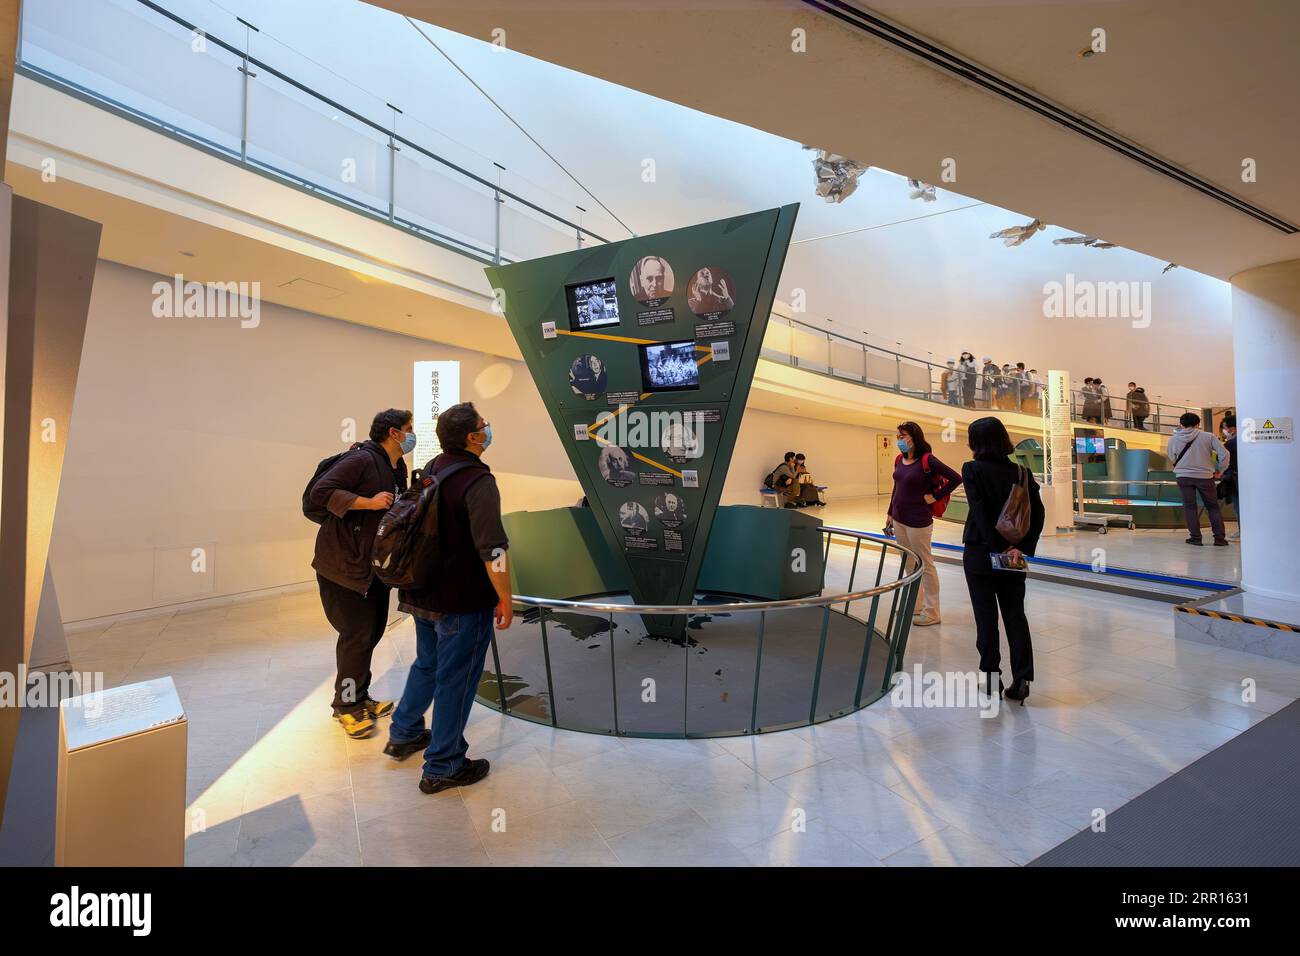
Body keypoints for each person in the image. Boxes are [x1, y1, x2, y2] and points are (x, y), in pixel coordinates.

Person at [384, 402, 513, 794]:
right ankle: (443, 765)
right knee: (457, 680)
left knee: (428, 664)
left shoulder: (435, 468)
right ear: (473, 437)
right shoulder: (478, 480)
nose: (487, 430)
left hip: (421, 591)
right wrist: (504, 598)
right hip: (460, 600)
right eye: (483, 426)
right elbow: (493, 549)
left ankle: (404, 731)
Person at [308, 408, 412, 738]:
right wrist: (367, 503)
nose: (412, 435)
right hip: (343, 567)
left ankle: (361, 697)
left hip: (373, 566)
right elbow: (320, 493)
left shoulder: (397, 466)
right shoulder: (363, 459)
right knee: (356, 636)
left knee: (371, 633)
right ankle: (347, 705)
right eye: (409, 429)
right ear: (394, 433)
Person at [961, 417, 1044, 704]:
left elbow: (980, 513)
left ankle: (991, 678)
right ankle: (1022, 679)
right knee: (1015, 615)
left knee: (985, 618)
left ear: (976, 442)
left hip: (980, 554)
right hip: (1013, 557)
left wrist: (997, 547)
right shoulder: (1022, 472)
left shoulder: (972, 470)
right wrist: (1018, 548)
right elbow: (1038, 513)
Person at [886, 422, 961, 626]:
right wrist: (890, 513)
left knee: (925, 564)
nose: (899, 439)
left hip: (918, 521)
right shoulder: (899, 460)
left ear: (913, 437)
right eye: (898, 435)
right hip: (900, 519)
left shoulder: (928, 460)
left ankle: (932, 611)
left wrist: (934, 496)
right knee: (909, 564)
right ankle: (915, 606)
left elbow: (956, 478)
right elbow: (897, 487)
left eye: (903, 436)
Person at [1166, 411, 1230, 547]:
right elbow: (1224, 454)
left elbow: (1172, 457)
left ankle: (1195, 538)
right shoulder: (1208, 436)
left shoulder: (1173, 439)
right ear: (1198, 424)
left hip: (1183, 477)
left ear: (1181, 424)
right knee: (1213, 507)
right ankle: (1219, 538)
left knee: (1190, 507)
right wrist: (1220, 469)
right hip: (1205, 477)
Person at [1220, 414, 1240, 539]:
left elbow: (1222, 461)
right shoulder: (1247, 440)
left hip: (1234, 477)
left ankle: (1242, 530)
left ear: (1232, 428)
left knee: (1238, 504)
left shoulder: (1230, 443)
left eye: (1225, 427)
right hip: (1247, 476)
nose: (1224, 430)